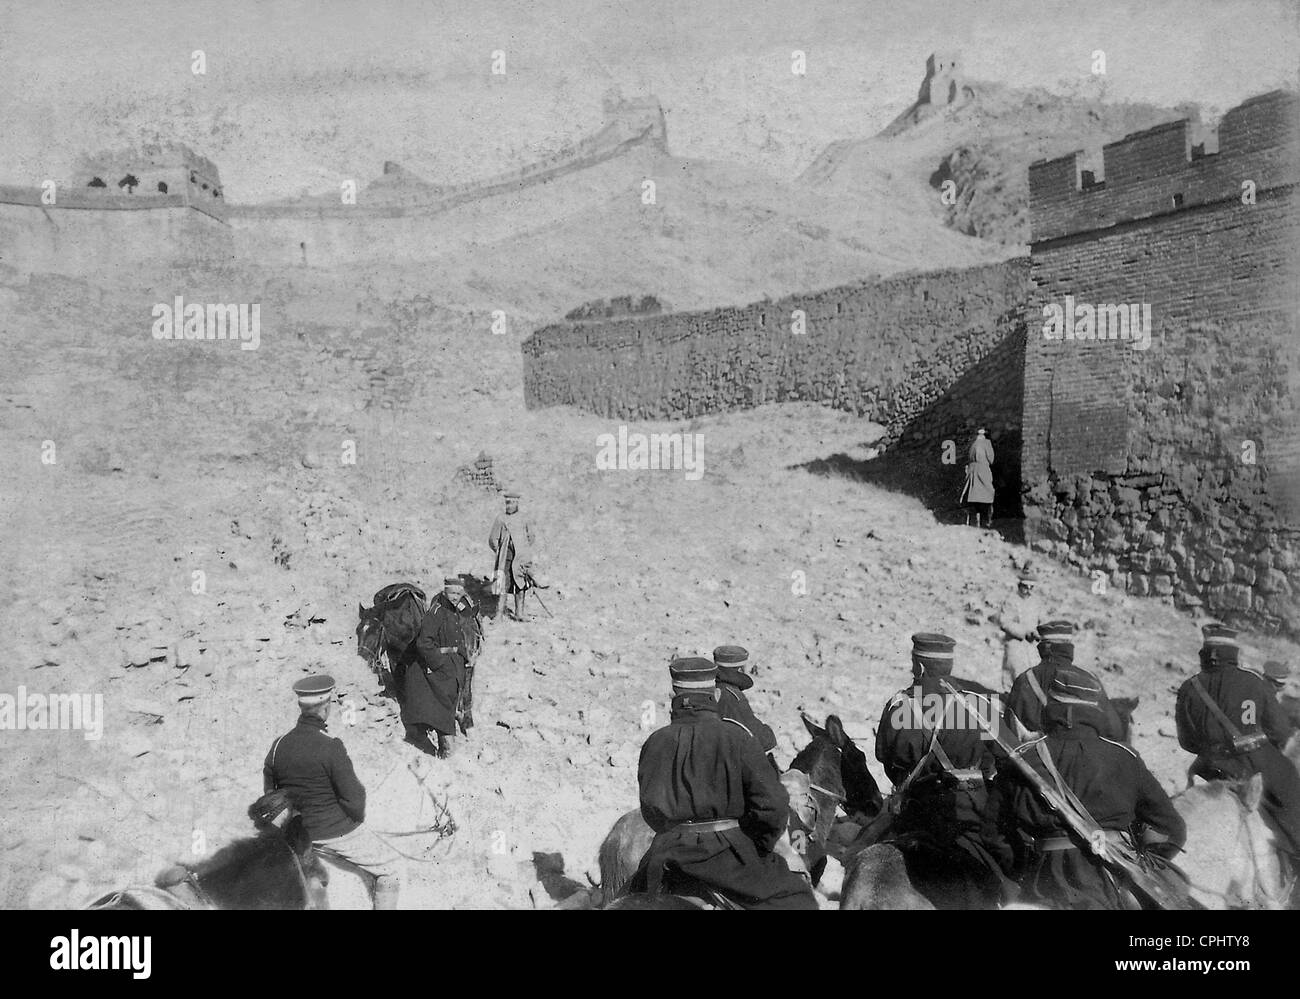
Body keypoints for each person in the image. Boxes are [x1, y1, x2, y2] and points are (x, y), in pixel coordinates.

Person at [989, 665, 1185, 910]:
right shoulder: (1124, 758)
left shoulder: (1023, 760)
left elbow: (994, 835)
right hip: (1107, 884)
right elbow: (1171, 828)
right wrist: (1134, 860)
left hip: (1040, 884)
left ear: (1052, 709)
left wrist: (1025, 867)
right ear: (1095, 711)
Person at [631, 657, 818, 909]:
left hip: (666, 855)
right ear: (715, 694)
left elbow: (650, 809)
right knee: (799, 899)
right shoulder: (738, 738)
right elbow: (773, 804)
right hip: (728, 856)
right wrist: (757, 844)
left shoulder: (654, 742)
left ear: (674, 693)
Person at [875, 633, 1011, 907]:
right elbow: (1008, 757)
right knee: (1005, 876)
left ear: (920, 666)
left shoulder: (899, 705)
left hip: (916, 810)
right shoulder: (976, 705)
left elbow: (885, 758)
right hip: (970, 810)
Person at [263, 675, 403, 910]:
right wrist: (353, 821)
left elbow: (270, 795)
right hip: (333, 832)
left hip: (296, 834)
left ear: (301, 706)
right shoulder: (330, 746)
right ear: (325, 708)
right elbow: (353, 797)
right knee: (392, 865)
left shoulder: (278, 745)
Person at [1175, 624, 1300, 879]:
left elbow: (1186, 742)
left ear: (1205, 653)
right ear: (1234, 653)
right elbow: (1280, 730)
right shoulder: (1253, 681)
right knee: (1293, 796)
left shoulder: (1189, 687)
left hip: (1209, 765)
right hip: (1257, 761)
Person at [1002, 620, 1124, 743]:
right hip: (1092, 755)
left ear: (1044, 648)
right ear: (1069, 648)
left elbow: (1011, 731)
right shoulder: (1091, 678)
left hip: (1049, 758)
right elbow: (1114, 730)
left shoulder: (1027, 678)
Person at [406, 577, 479, 759]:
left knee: (453, 695)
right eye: (452, 593)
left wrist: (465, 655)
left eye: (458, 593)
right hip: (442, 663)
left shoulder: (457, 608)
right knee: (443, 701)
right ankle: (446, 749)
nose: (455, 597)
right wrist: (439, 663)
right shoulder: (436, 612)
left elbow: (463, 626)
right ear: (445, 591)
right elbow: (423, 643)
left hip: (455, 661)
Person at [712, 645, 779, 768]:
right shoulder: (733, 695)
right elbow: (760, 739)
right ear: (740, 669)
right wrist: (768, 732)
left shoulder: (713, 689)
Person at [488, 490, 538, 623]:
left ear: (517, 503)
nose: (509, 506)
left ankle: (519, 613)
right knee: (502, 584)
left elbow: (531, 537)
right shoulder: (501, 518)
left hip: (520, 558)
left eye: (511, 503)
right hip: (506, 557)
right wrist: (501, 552)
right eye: (507, 503)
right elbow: (493, 539)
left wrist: (523, 550)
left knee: (520, 584)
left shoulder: (524, 518)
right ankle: (499, 614)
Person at [996, 566, 1044, 693]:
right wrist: (1024, 632)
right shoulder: (1011, 600)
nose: (1028, 591)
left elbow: (1041, 620)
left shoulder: (1036, 602)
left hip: (1032, 646)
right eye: (1025, 587)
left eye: (1031, 588)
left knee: (1032, 677)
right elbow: (1004, 622)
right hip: (1015, 643)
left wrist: (1038, 632)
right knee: (1014, 675)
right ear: (1019, 585)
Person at [959, 427, 995, 529]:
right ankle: (985, 524)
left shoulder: (973, 444)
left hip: (972, 471)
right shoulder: (986, 443)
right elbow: (991, 459)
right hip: (982, 471)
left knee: (973, 497)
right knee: (986, 496)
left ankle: (972, 525)